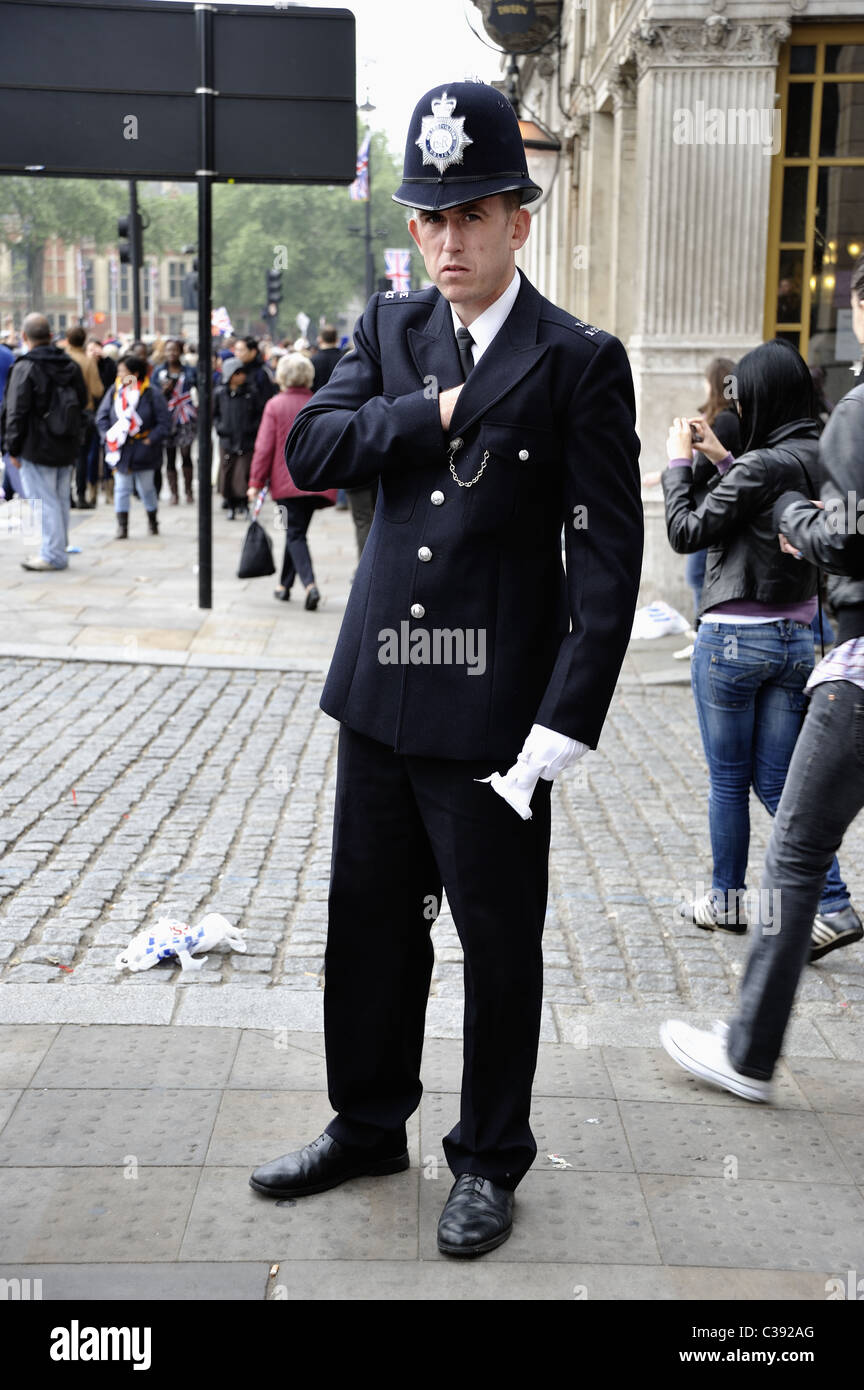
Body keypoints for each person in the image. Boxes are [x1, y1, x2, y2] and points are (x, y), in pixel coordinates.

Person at [249, 81, 644, 1258]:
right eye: (430, 218)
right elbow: (312, 450)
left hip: (494, 720)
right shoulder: (390, 333)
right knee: (369, 924)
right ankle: (369, 1122)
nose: (449, 240)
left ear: (520, 217)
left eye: (472, 213)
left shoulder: (580, 359)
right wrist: (435, 408)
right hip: (380, 693)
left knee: (496, 941)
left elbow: (610, 558)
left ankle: (486, 1157)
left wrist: (566, 722)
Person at [661, 253, 864, 1099]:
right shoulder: (822, 438)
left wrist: (781, 512)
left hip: (822, 655)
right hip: (803, 639)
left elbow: (841, 538)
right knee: (785, 800)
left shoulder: (855, 416)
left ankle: (747, 1046)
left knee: (777, 836)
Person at [247, 352, 337, 609]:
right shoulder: (319, 401)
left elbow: (264, 447)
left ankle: (310, 585)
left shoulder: (274, 405)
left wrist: (255, 482)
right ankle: (284, 585)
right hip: (315, 481)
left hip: (285, 485)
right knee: (295, 532)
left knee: (294, 533)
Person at [0, 312, 86, 571]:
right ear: (51, 336)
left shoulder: (25, 367)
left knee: (44, 500)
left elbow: (16, 411)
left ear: (25, 337)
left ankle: (52, 554)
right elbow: (82, 402)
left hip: (35, 445)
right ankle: (57, 547)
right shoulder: (70, 365)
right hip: (65, 442)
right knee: (59, 497)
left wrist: (11, 446)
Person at [96, 353, 171, 539]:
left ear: (135, 374)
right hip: (121, 449)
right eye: (119, 371)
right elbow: (102, 417)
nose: (120, 375)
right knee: (121, 488)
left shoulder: (151, 393)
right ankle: (122, 527)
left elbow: (164, 423)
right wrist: (109, 436)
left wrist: (150, 439)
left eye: (124, 371)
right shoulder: (115, 392)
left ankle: (152, 520)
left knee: (147, 488)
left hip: (144, 449)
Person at [214, 357, 260, 519]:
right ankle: (231, 503)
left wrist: (251, 428)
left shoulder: (251, 393)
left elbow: (258, 414)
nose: (242, 376)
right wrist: (221, 428)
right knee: (228, 471)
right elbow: (215, 414)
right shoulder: (220, 393)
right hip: (227, 440)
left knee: (244, 472)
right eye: (238, 373)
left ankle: (243, 503)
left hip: (246, 439)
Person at [63, 324, 104, 509]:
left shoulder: (61, 359)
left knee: (66, 457)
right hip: (84, 412)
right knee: (81, 456)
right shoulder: (88, 362)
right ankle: (80, 494)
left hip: (62, 414)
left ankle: (66, 495)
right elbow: (97, 390)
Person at [153, 338, 197, 505]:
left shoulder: (189, 371)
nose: (171, 353)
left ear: (180, 351)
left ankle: (188, 490)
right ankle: (174, 493)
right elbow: (154, 395)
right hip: (168, 418)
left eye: (175, 350)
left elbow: (198, 388)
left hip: (186, 418)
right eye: (168, 350)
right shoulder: (159, 372)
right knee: (170, 456)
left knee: (186, 453)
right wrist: (163, 391)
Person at [231, 336, 276, 405]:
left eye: (241, 350)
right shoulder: (231, 370)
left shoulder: (261, 373)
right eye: (236, 350)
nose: (237, 354)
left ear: (253, 352)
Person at [312, 325, 346, 391]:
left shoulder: (313, 360)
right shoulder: (344, 360)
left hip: (317, 399)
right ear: (337, 340)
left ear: (319, 339)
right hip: (340, 399)